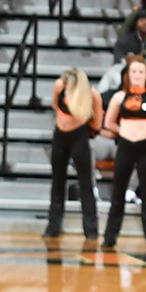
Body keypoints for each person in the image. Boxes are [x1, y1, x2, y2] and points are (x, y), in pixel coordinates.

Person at [99, 55, 146, 252]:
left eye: (141, 72)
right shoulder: (119, 97)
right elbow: (109, 123)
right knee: (117, 194)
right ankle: (109, 239)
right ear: (128, 75)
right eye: (134, 72)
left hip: (145, 148)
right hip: (125, 147)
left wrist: (144, 132)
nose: (137, 75)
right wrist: (123, 132)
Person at [39, 68, 100, 241]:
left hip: (79, 137)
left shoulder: (92, 94)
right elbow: (55, 105)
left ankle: (91, 230)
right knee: (57, 182)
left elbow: (97, 123)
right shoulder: (59, 86)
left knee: (85, 183)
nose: (66, 85)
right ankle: (53, 227)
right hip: (59, 136)